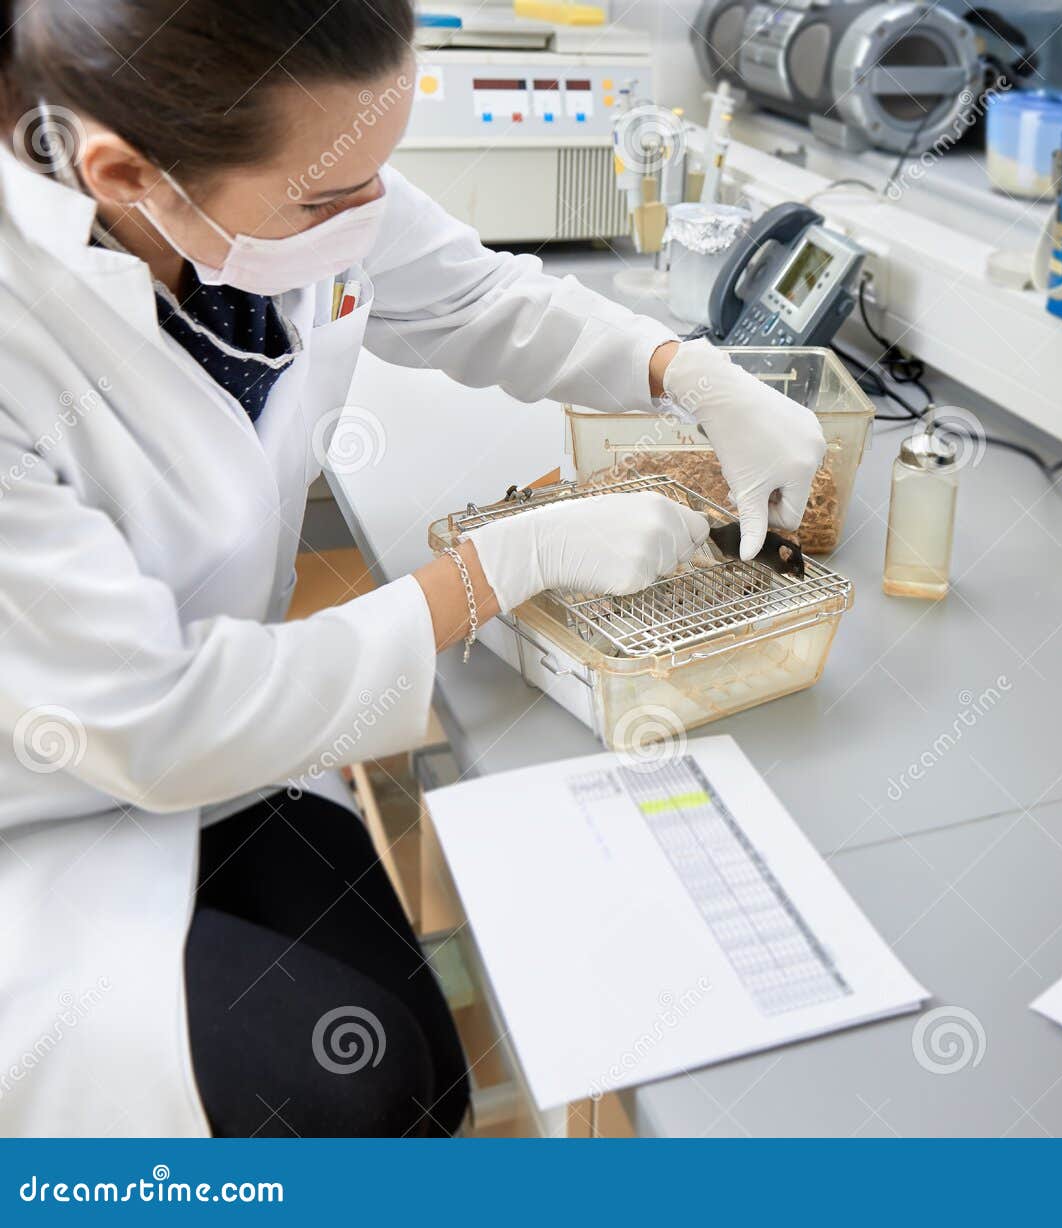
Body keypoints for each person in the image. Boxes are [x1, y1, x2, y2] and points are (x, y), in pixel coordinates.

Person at [0, 0, 826, 1137]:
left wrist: (687, 370)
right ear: (125, 174)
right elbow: (153, 718)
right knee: (348, 1093)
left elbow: (476, 294)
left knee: (414, 1056)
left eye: (383, 167)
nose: (372, 214)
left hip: (233, 745)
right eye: (334, 195)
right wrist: (498, 570)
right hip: (42, 814)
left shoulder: (269, 176)